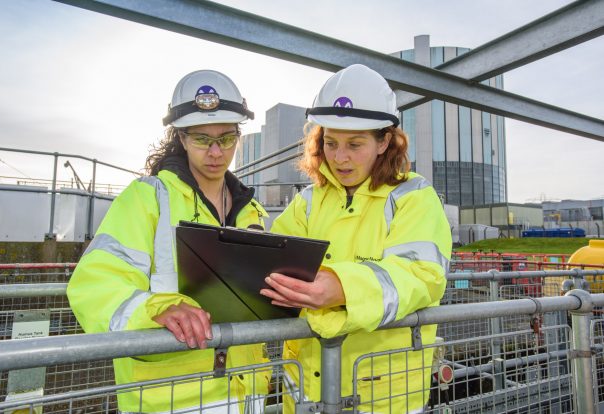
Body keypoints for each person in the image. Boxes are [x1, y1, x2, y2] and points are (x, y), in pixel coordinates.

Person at [67, 70, 269, 413]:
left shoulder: (252, 211)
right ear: (182, 137)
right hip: (170, 398)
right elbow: (93, 284)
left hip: (246, 391)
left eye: (227, 137)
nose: (217, 151)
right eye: (203, 139)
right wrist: (155, 309)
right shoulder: (146, 199)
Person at [260, 64, 452, 413]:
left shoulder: (414, 197)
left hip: (382, 396)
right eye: (330, 143)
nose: (339, 157)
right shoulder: (307, 201)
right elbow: (269, 261)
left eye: (354, 144)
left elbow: (421, 276)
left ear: (385, 142)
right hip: (306, 390)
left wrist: (342, 287)